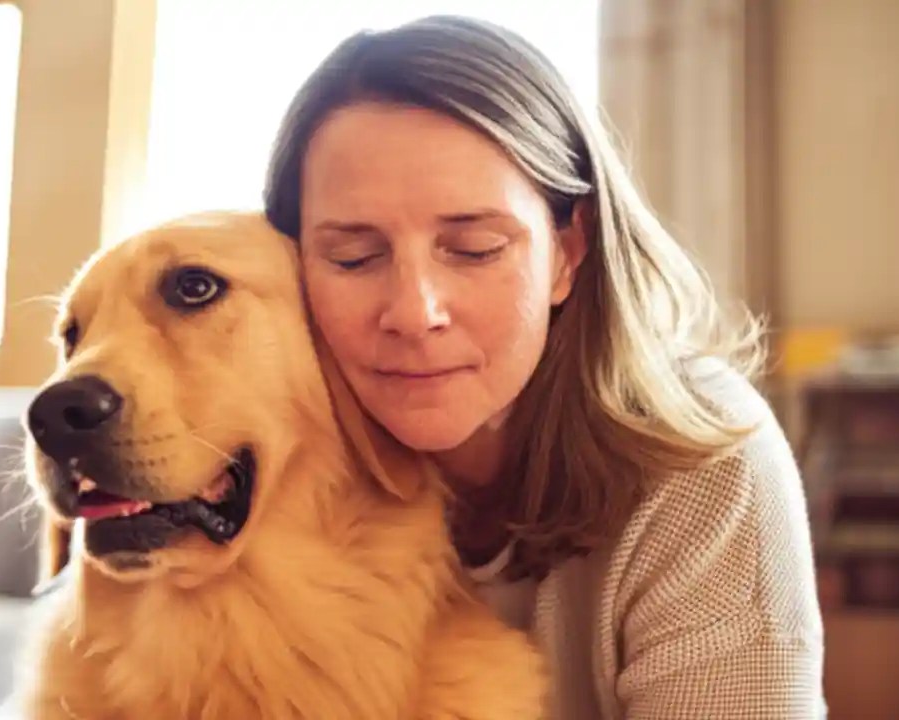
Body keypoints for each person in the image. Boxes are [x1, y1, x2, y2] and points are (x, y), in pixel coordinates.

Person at [263, 14, 824, 719]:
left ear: (567, 252)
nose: (414, 311)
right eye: (354, 258)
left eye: (473, 249)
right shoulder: (247, 471)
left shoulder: (703, 466)